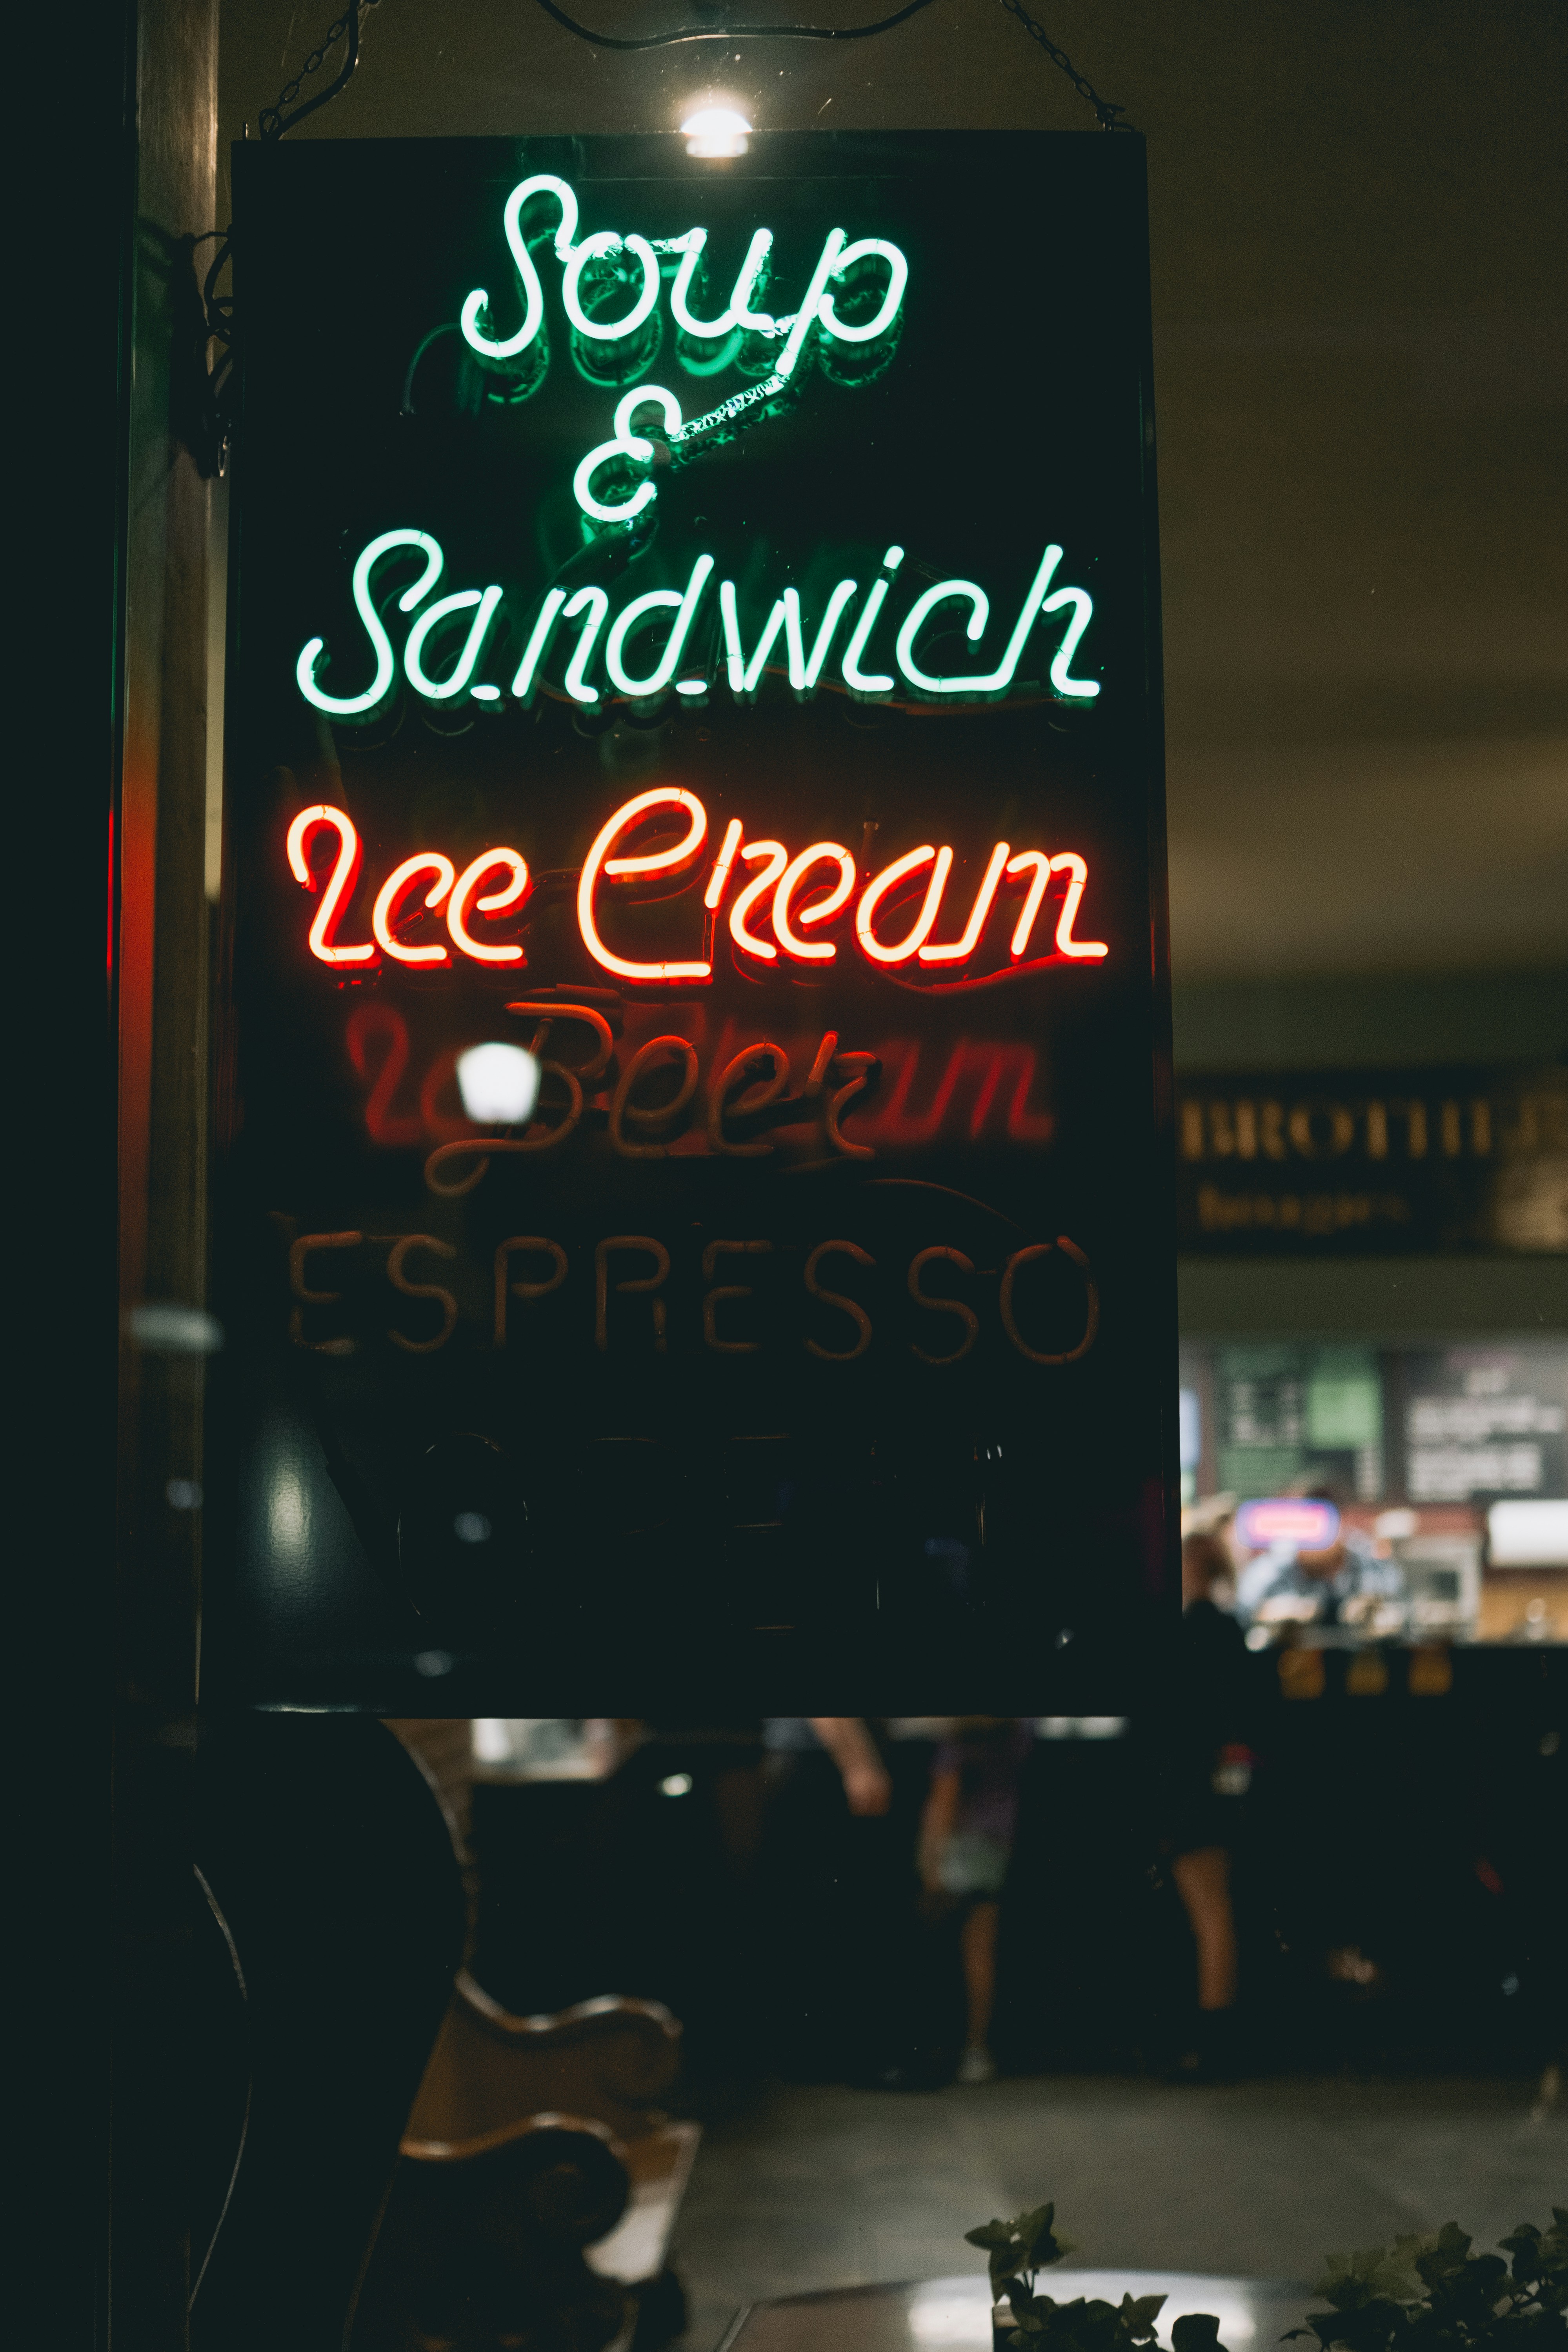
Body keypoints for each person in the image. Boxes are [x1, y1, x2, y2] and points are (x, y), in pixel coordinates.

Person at [1161, 1530, 1253, 2081]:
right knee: (1214, 1912)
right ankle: (1216, 2037)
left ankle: (1214, 2041)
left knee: (1209, 1914)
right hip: (1214, 1788)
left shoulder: (1188, 1631)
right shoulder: (1225, 1628)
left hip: (1189, 1790)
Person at [757, 1720, 891, 2077]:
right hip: (814, 1766)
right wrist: (860, 1765)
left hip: (802, 1764)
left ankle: (812, 2052)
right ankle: (830, 2052)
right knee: (828, 1912)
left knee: (814, 1911)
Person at [917, 1717, 1033, 2084]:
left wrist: (929, 1862)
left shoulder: (962, 1735)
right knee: (981, 1949)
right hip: (998, 1840)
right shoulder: (1019, 1728)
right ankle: (976, 2047)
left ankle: (940, 2046)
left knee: (944, 1948)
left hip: (959, 1844)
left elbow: (945, 1795)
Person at [1235, 1486, 1402, 1628]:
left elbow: (1402, 1614)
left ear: (1341, 1523)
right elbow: (1242, 1620)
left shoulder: (1374, 1569)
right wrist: (1270, 1616)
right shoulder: (1268, 1573)